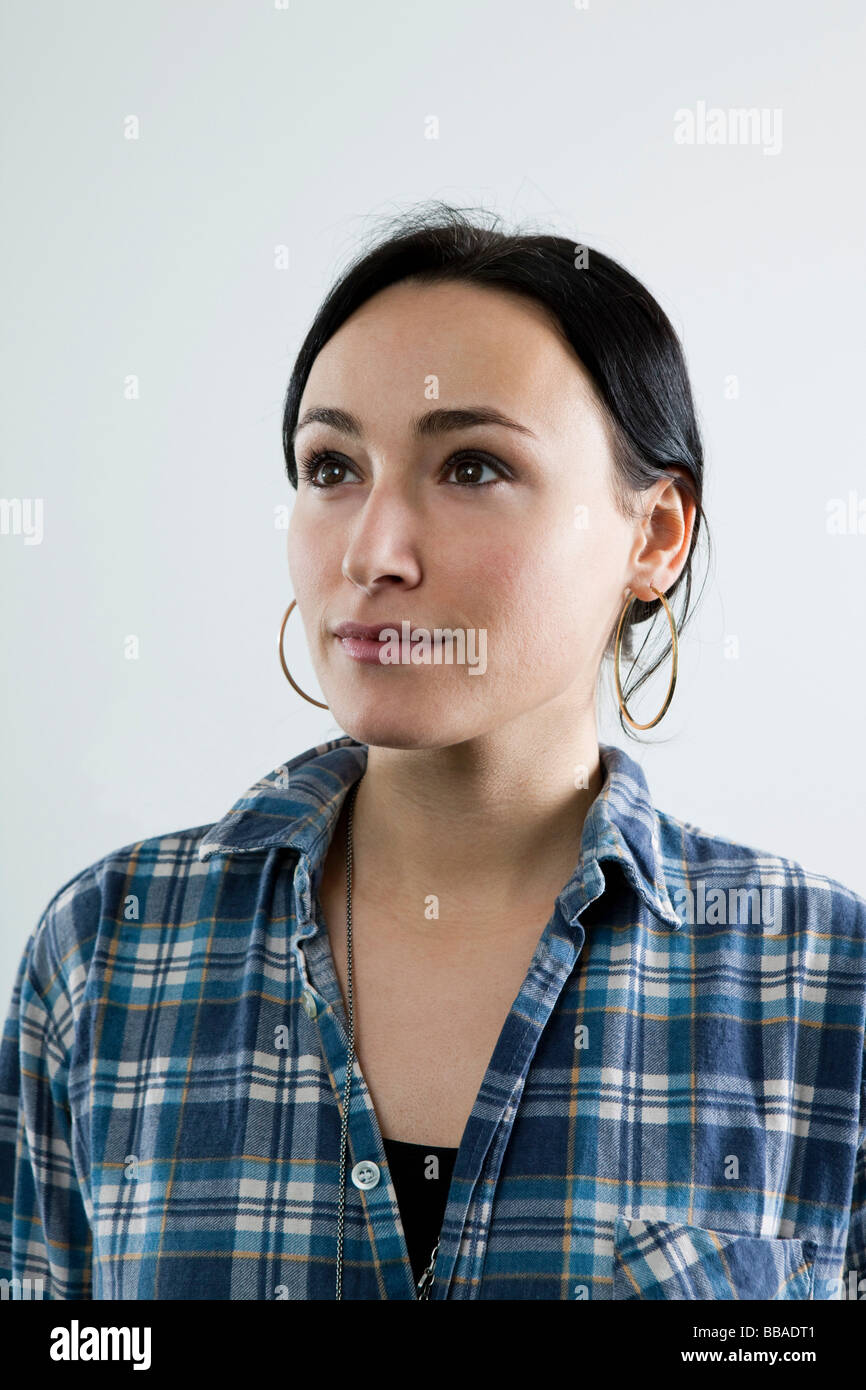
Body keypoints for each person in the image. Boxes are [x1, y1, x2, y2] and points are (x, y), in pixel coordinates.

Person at [2, 204, 864, 1302]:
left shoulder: (823, 983)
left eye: (469, 467)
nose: (371, 550)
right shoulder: (109, 952)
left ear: (653, 536)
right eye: (329, 467)